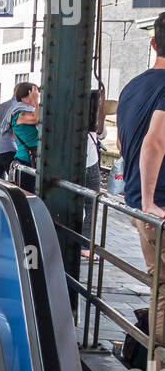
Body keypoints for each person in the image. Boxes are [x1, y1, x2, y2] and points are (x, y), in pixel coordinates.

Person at [116, 12, 165, 361]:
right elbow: (153, 143)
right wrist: (150, 202)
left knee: (159, 285)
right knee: (162, 292)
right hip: (158, 207)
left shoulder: (132, 87)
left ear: (153, 44)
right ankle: (155, 362)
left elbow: (123, 146)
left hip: (139, 202)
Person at [82, 87, 104, 259]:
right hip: (92, 164)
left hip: (78, 166)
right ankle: (85, 245)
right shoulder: (94, 121)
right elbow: (103, 133)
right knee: (91, 206)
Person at [10, 82, 41, 192]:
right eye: (34, 94)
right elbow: (37, 119)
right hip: (25, 161)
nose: (37, 96)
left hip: (28, 159)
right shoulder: (20, 114)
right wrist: (36, 101)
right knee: (27, 195)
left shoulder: (20, 112)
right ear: (25, 97)